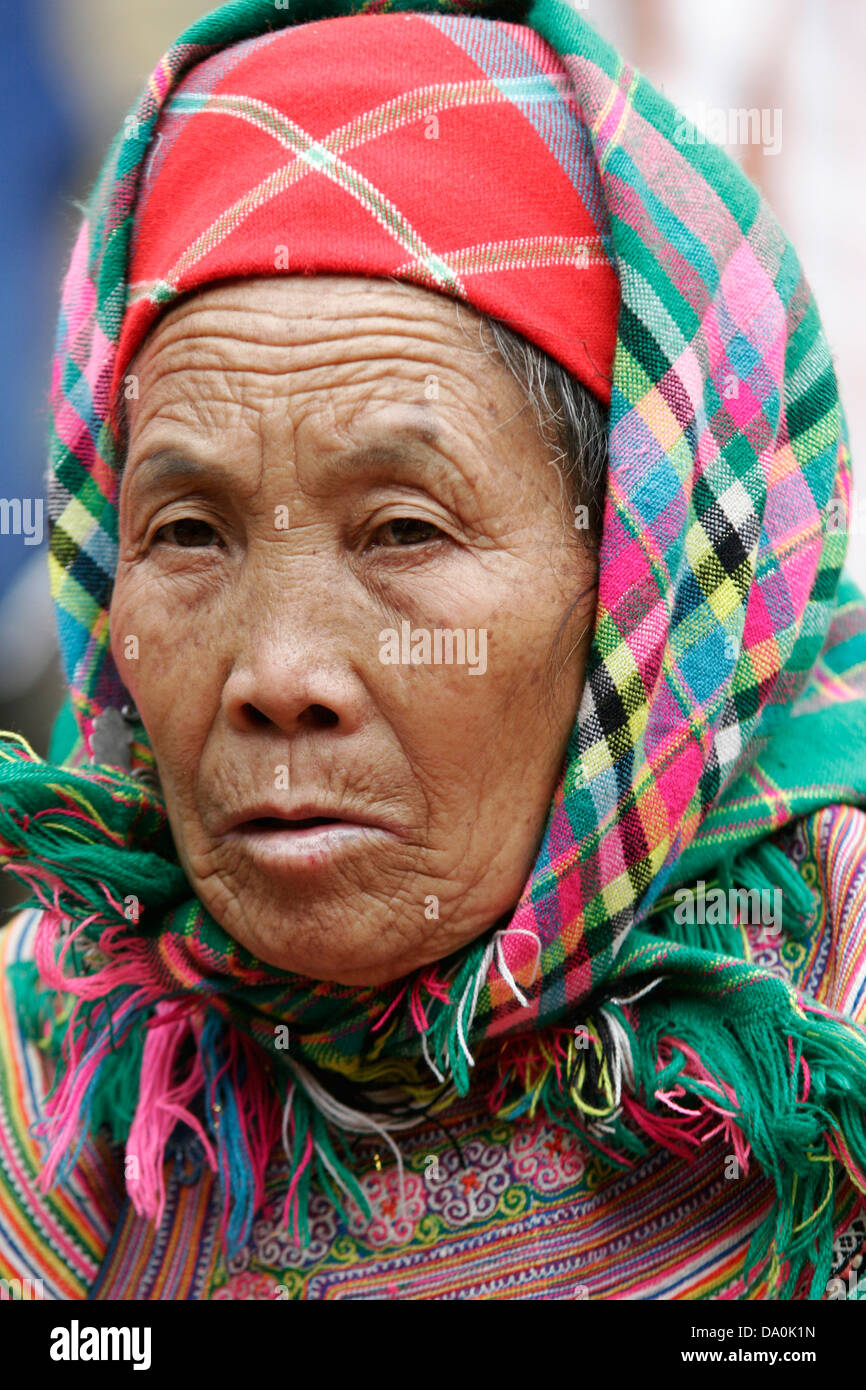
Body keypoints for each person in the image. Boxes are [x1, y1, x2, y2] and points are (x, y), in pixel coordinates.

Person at [1, 0, 865, 1302]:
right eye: (187, 531)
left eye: (403, 528)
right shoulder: (64, 1044)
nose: (278, 674)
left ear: (637, 573)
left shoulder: (830, 1004)